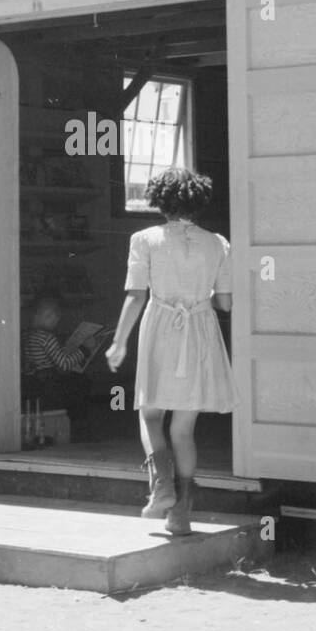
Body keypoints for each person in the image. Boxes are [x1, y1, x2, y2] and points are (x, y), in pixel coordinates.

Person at [105, 168, 234, 536]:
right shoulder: (218, 243)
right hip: (200, 331)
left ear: (159, 202)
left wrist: (119, 341)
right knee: (183, 430)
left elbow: (135, 295)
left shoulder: (145, 239)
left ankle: (161, 485)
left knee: (149, 414)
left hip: (161, 328)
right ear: (199, 202)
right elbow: (224, 303)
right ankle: (181, 515)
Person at [22, 292, 103, 421]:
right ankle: (79, 422)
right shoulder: (48, 338)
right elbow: (64, 364)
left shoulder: (28, 335)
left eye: (56, 317)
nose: (55, 321)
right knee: (81, 383)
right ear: (41, 316)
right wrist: (85, 349)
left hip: (34, 382)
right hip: (49, 384)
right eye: (52, 317)